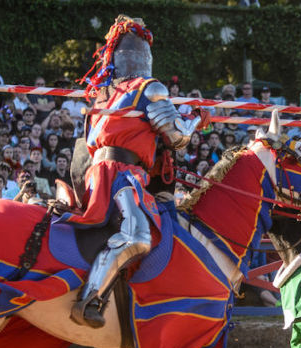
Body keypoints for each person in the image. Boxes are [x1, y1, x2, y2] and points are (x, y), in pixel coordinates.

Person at [66, 15, 209, 328]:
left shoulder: (103, 94)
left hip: (94, 175)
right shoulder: (149, 88)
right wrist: (198, 119)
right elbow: (177, 138)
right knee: (137, 236)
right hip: (122, 174)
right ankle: (90, 299)